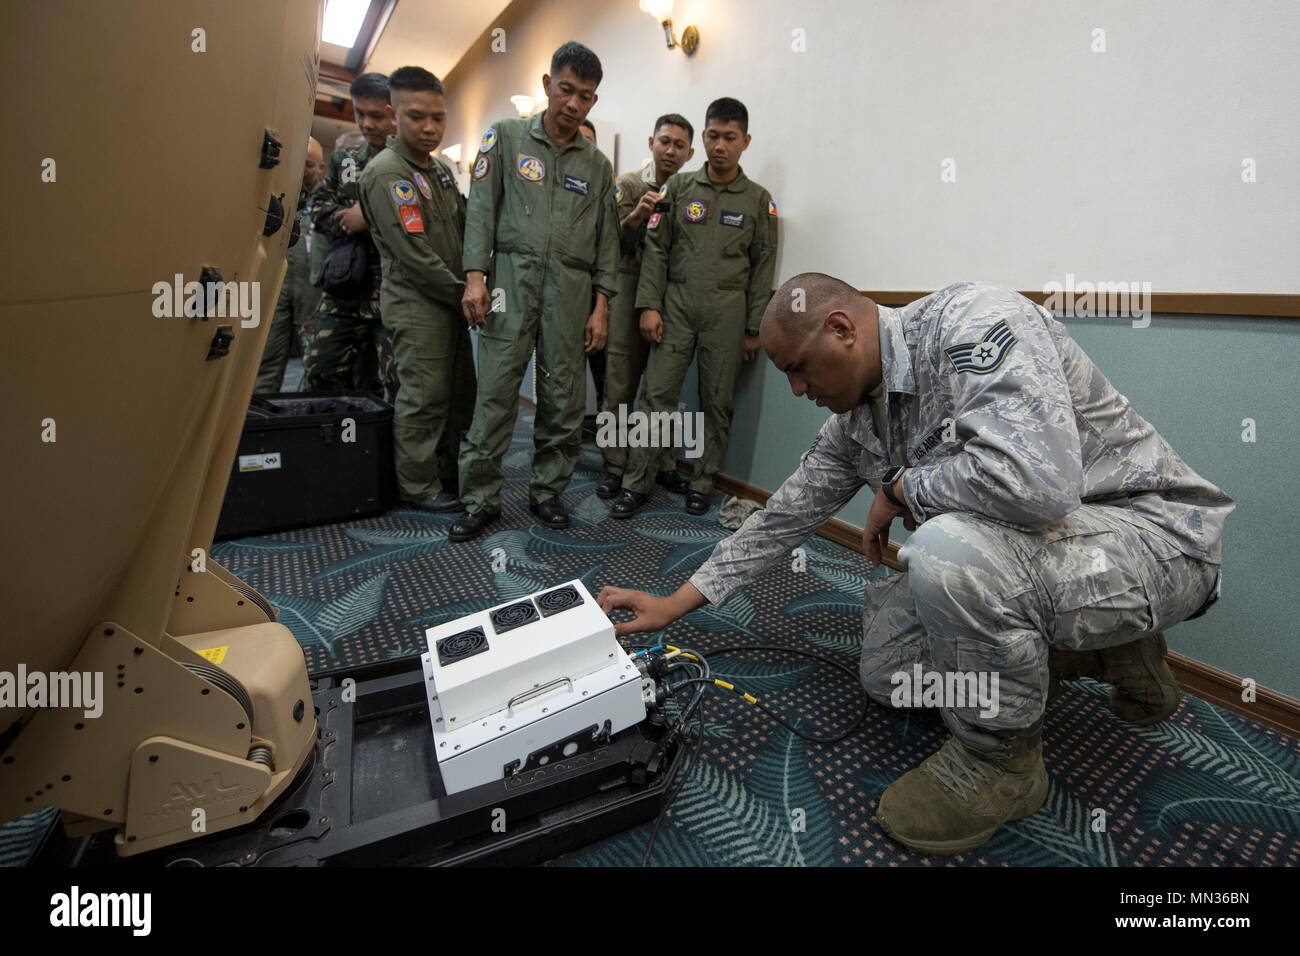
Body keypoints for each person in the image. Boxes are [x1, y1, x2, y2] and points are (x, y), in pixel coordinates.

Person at [597, 275, 1233, 856]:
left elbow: (1040, 484)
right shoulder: (856, 421)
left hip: (1154, 538)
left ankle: (1001, 765)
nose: (797, 389)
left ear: (843, 329)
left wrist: (901, 489)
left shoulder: (974, 323)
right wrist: (676, 602)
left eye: (797, 369)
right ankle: (1103, 651)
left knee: (943, 551)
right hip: (1048, 555)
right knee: (888, 672)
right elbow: (783, 516)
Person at [453, 41, 620, 542]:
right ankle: (480, 498)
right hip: (509, 279)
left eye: (586, 97)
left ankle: (548, 492)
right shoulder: (503, 139)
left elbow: (606, 242)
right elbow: (481, 209)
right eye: (566, 90)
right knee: (497, 392)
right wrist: (476, 277)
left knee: (564, 398)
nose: (574, 104)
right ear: (548, 85)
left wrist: (601, 306)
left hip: (570, 290)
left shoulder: (596, 166)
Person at [610, 97, 777, 517]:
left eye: (730, 138)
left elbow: (762, 266)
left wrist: (755, 326)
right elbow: (657, 251)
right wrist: (649, 305)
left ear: (746, 141)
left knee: (716, 401)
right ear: (702, 138)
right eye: (714, 136)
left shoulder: (758, 200)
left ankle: (703, 481)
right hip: (675, 307)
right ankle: (637, 482)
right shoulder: (677, 189)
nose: (720, 145)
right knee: (656, 397)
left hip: (728, 311)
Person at [358, 66, 476, 512]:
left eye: (438, 118)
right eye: (416, 117)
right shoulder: (388, 173)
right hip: (419, 304)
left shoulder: (440, 170)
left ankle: (445, 473)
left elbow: (465, 224)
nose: (430, 128)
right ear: (392, 115)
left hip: (450, 302)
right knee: (424, 398)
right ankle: (418, 486)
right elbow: (414, 255)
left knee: (457, 393)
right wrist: (464, 293)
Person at [595, 113, 695, 499]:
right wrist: (636, 217)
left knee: (663, 388)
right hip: (628, 290)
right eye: (664, 141)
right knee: (619, 383)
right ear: (651, 142)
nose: (670, 150)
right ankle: (614, 464)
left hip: (671, 299)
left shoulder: (689, 192)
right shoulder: (628, 184)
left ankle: (662, 462)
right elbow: (610, 245)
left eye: (679, 145)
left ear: (689, 153)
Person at [303, 72, 398, 400]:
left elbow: (419, 225)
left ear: (393, 112)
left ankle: (389, 448)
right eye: (360, 114)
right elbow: (319, 211)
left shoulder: (410, 164)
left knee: (402, 386)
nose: (367, 124)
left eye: (376, 115)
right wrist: (350, 221)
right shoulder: (345, 163)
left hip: (395, 298)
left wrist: (367, 217)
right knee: (320, 369)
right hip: (346, 292)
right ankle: (343, 443)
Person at [254, 135, 324, 393]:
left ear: (320, 167)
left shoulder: (327, 202)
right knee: (266, 356)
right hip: (277, 286)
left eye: (307, 165)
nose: (301, 171)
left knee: (315, 360)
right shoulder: (277, 196)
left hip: (313, 289)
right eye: (296, 164)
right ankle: (259, 422)